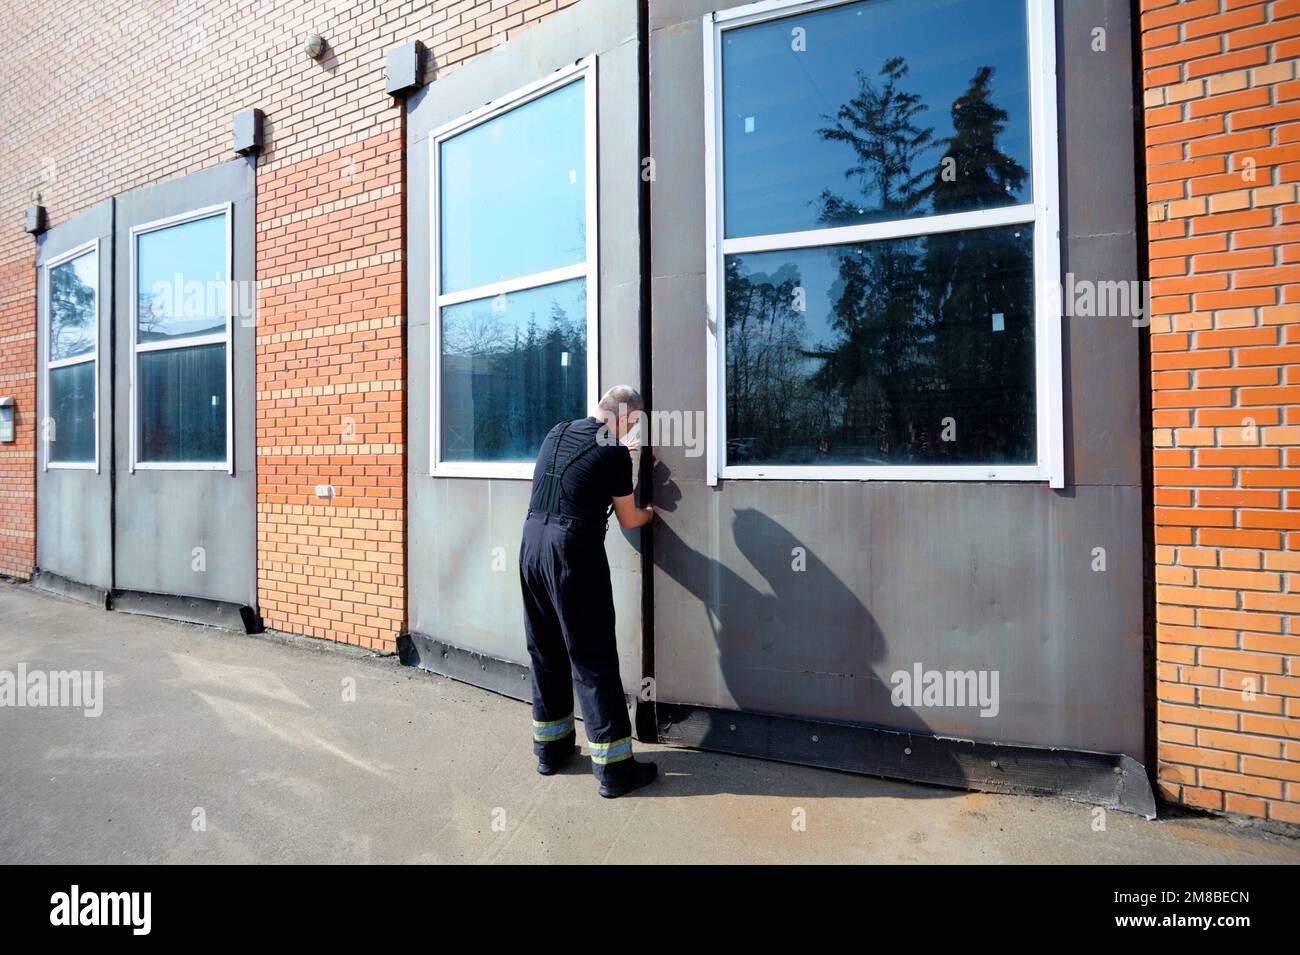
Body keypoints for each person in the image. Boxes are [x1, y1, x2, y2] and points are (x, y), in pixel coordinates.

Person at [519, 385, 657, 798]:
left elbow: (578, 476)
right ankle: (615, 770)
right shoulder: (614, 452)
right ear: (625, 418)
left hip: (531, 545)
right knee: (592, 654)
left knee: (545, 648)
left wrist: (621, 457)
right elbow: (630, 519)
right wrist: (652, 511)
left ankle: (551, 749)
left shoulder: (557, 432)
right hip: (570, 552)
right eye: (633, 424)